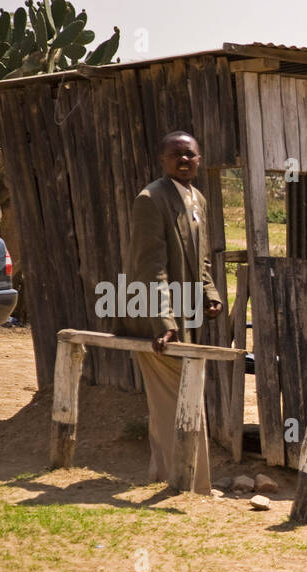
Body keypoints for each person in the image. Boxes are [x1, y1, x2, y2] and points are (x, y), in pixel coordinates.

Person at [120, 130, 223, 494]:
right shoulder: (151, 199)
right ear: (162, 160)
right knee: (171, 399)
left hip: (188, 316)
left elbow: (203, 259)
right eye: (176, 155)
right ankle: (181, 483)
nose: (184, 160)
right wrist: (165, 322)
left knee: (188, 395)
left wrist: (209, 294)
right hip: (158, 320)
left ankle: (189, 481)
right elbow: (152, 268)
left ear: (199, 159)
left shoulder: (197, 198)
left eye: (190, 155)